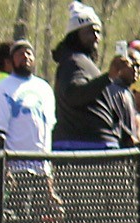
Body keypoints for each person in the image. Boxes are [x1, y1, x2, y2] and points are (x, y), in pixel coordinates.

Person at [51, 2, 135, 150]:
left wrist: (126, 135)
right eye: (90, 31)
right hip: (81, 148)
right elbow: (74, 94)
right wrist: (108, 76)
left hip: (96, 145)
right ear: (75, 34)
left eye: (98, 32)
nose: (96, 37)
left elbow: (101, 104)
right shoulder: (72, 62)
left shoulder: (84, 63)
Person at [0, 39, 55, 154]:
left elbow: (50, 125)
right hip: (15, 165)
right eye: (20, 54)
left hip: (42, 165)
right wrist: (2, 167)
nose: (25, 56)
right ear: (11, 60)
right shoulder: (2, 88)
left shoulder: (45, 88)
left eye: (29, 53)